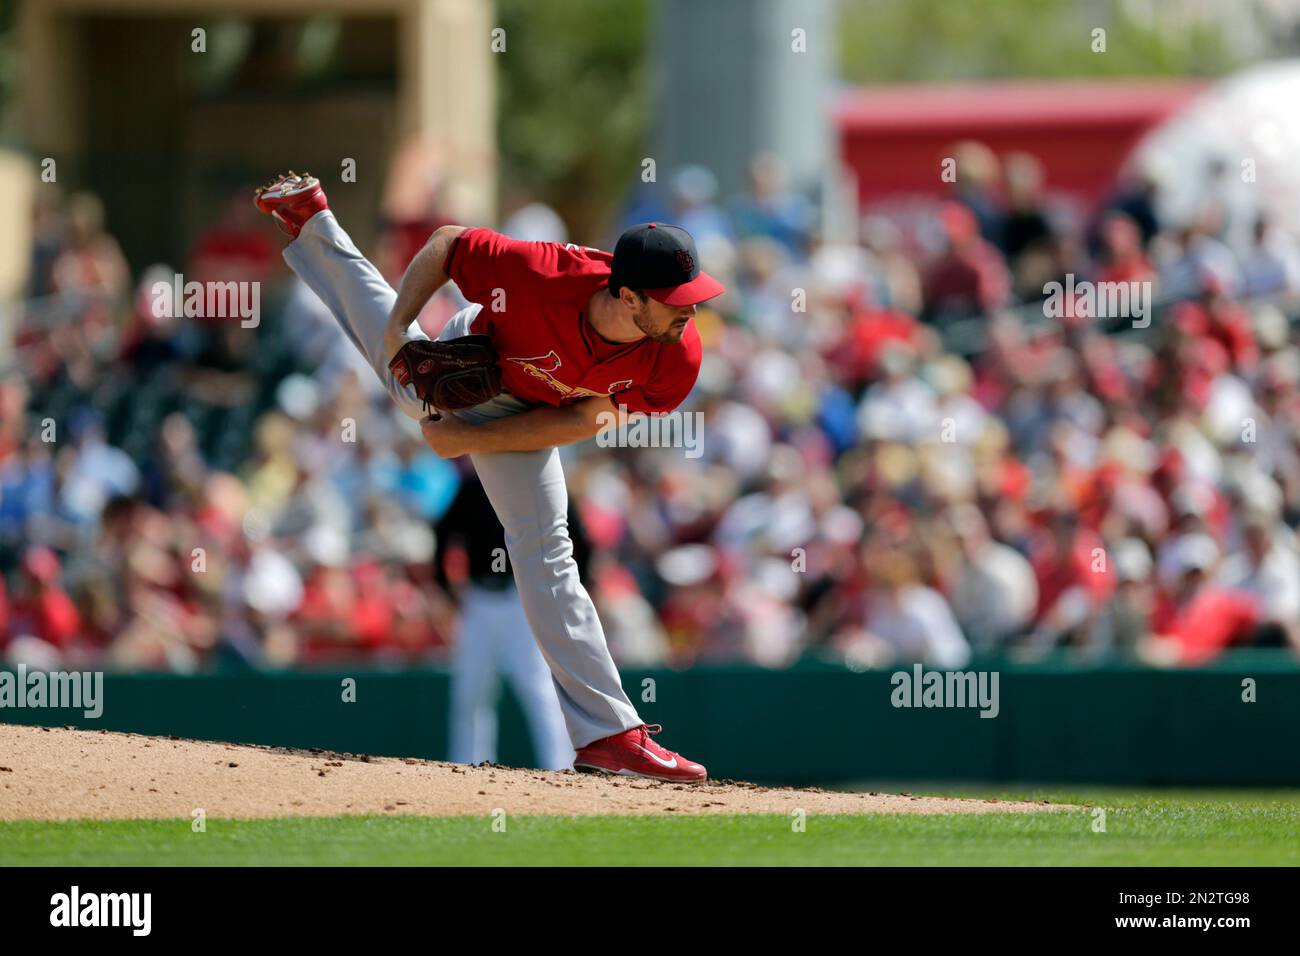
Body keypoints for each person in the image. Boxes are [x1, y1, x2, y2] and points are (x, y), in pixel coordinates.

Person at [254, 171, 721, 782]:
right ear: (628, 296)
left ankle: (610, 737)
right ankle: (311, 220)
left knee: (546, 545)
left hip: (537, 416)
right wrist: (400, 329)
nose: (692, 308)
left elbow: (582, 421)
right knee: (401, 374)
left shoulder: (677, 358)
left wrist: (470, 441)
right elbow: (448, 243)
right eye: (677, 298)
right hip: (476, 365)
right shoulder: (543, 272)